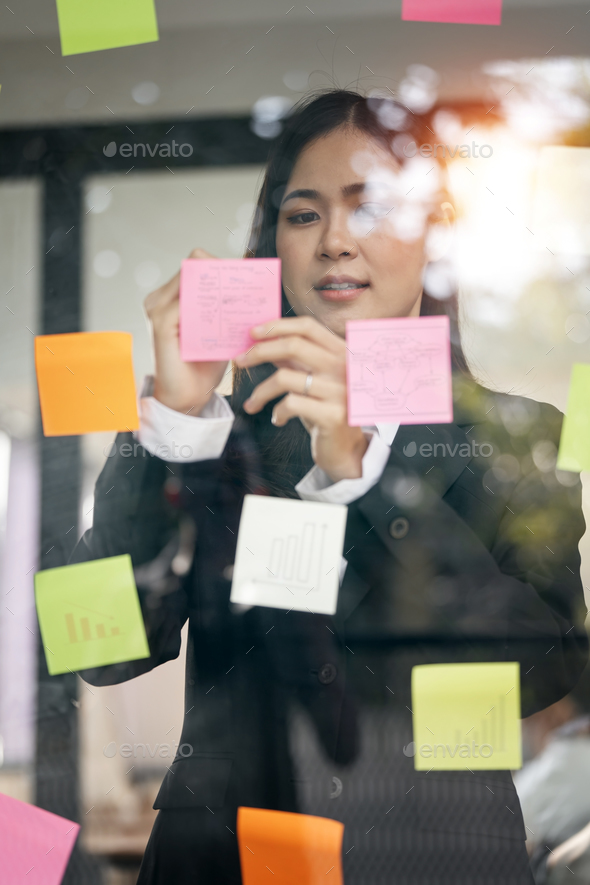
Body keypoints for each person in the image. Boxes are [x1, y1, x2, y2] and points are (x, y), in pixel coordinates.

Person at [71, 89, 588, 884]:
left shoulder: (518, 436)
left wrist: (367, 478)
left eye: (372, 206)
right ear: (273, 246)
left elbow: (544, 670)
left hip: (437, 853)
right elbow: (97, 651)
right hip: (225, 859)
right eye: (303, 214)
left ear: (433, 238)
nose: (336, 240)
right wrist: (176, 421)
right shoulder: (216, 431)